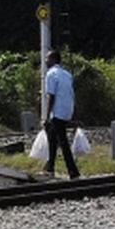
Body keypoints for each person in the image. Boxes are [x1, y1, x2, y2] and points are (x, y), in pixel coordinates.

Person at [43, 50, 81, 180]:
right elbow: (71, 94)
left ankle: (73, 172)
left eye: (47, 58)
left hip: (57, 112)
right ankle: (50, 168)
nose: (45, 61)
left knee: (62, 142)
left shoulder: (51, 74)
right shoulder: (67, 74)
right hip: (67, 111)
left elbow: (51, 96)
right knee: (52, 138)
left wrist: (46, 116)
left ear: (53, 59)